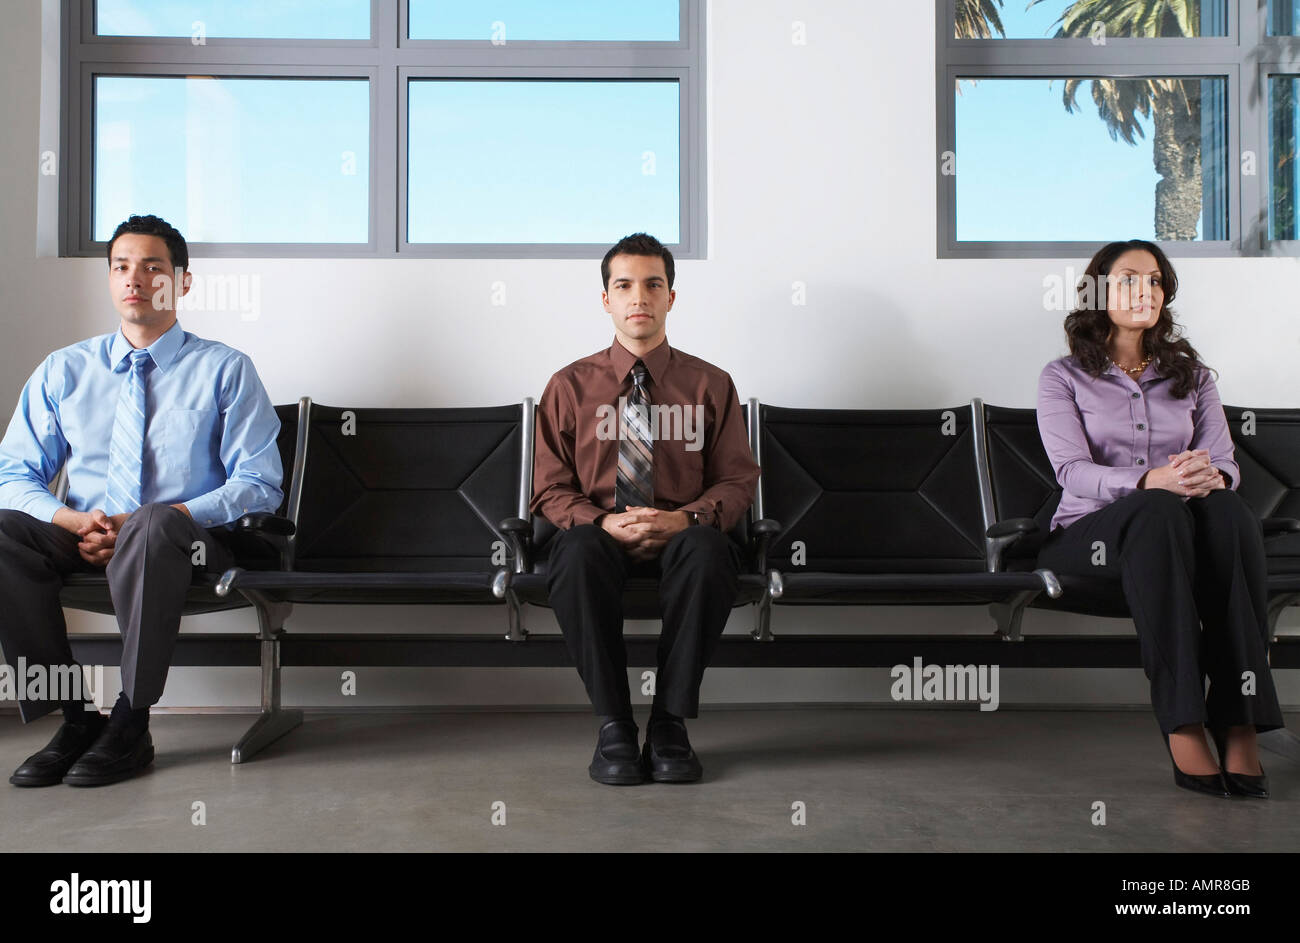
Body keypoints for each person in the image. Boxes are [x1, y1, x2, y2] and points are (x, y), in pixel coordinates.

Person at [0, 214, 283, 787]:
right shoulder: (64, 370)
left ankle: (132, 720)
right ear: (109, 279)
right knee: (3, 530)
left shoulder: (225, 369)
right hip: (85, 532)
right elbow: (12, 474)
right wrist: (73, 519)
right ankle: (76, 718)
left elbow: (259, 483)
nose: (136, 277)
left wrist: (152, 520)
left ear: (182, 282)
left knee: (152, 522)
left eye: (153, 266)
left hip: (185, 544)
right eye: (121, 266)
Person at [1036, 238, 1283, 799]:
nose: (1144, 290)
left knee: (1226, 510)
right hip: (1090, 537)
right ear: (1100, 291)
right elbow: (1072, 472)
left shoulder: (1193, 376)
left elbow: (1224, 462)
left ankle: (1240, 718)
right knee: (1155, 506)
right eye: (1128, 278)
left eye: (1154, 280)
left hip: (1179, 532)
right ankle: (1184, 720)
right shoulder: (1063, 377)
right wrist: (1151, 479)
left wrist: (1205, 476)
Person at [531, 233, 760, 785]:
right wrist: (603, 521)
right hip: (602, 537)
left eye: (653, 284)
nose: (640, 297)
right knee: (578, 549)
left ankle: (668, 723)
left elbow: (737, 481)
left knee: (707, 550)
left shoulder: (710, 384)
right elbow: (549, 489)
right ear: (606, 299)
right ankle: (613, 726)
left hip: (683, 539)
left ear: (671, 298)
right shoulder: (568, 386)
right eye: (624, 285)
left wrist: (685, 519)